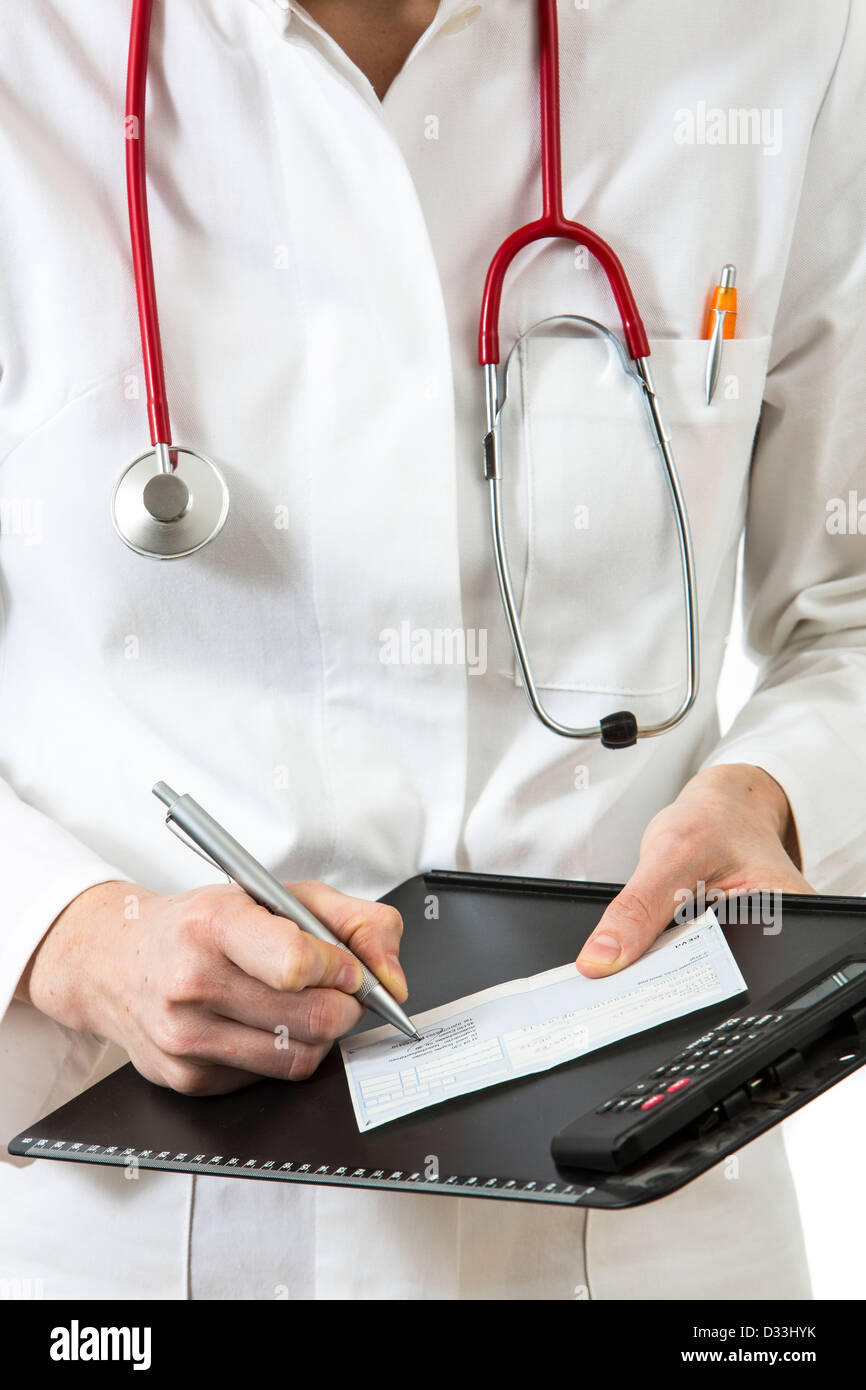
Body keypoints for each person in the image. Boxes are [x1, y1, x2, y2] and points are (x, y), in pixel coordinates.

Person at [1, 0, 863, 1301]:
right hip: (136, 1236)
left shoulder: (778, 41)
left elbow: (849, 601)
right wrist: (68, 933)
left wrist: (776, 800)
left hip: (638, 1218)